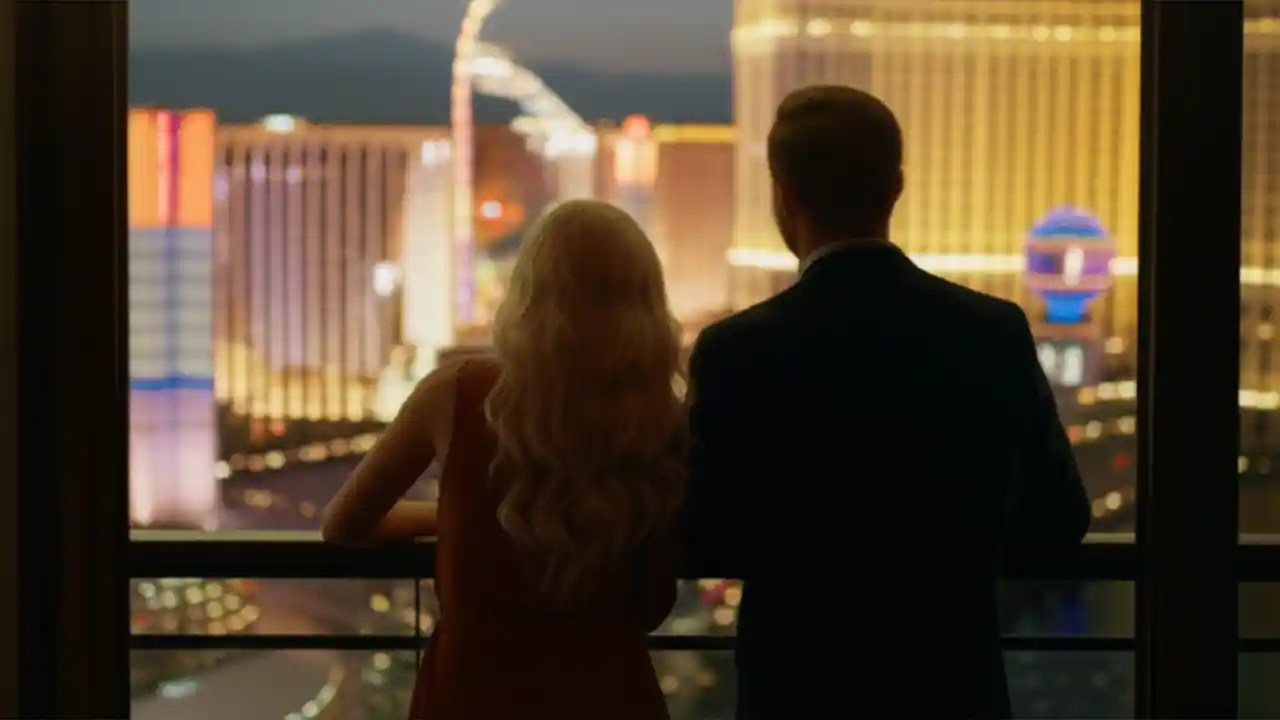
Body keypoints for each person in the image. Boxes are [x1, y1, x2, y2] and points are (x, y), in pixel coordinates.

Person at [681, 85, 1091, 719]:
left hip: (799, 692)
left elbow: (707, 534)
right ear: (897, 186)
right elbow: (1059, 522)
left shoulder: (737, 350)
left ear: (783, 196)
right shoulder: (991, 332)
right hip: (951, 690)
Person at [323, 199, 686, 720]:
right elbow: (654, 605)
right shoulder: (662, 417)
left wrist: (453, 519)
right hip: (611, 699)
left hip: (474, 699)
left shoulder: (456, 393)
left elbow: (344, 524)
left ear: (529, 291)